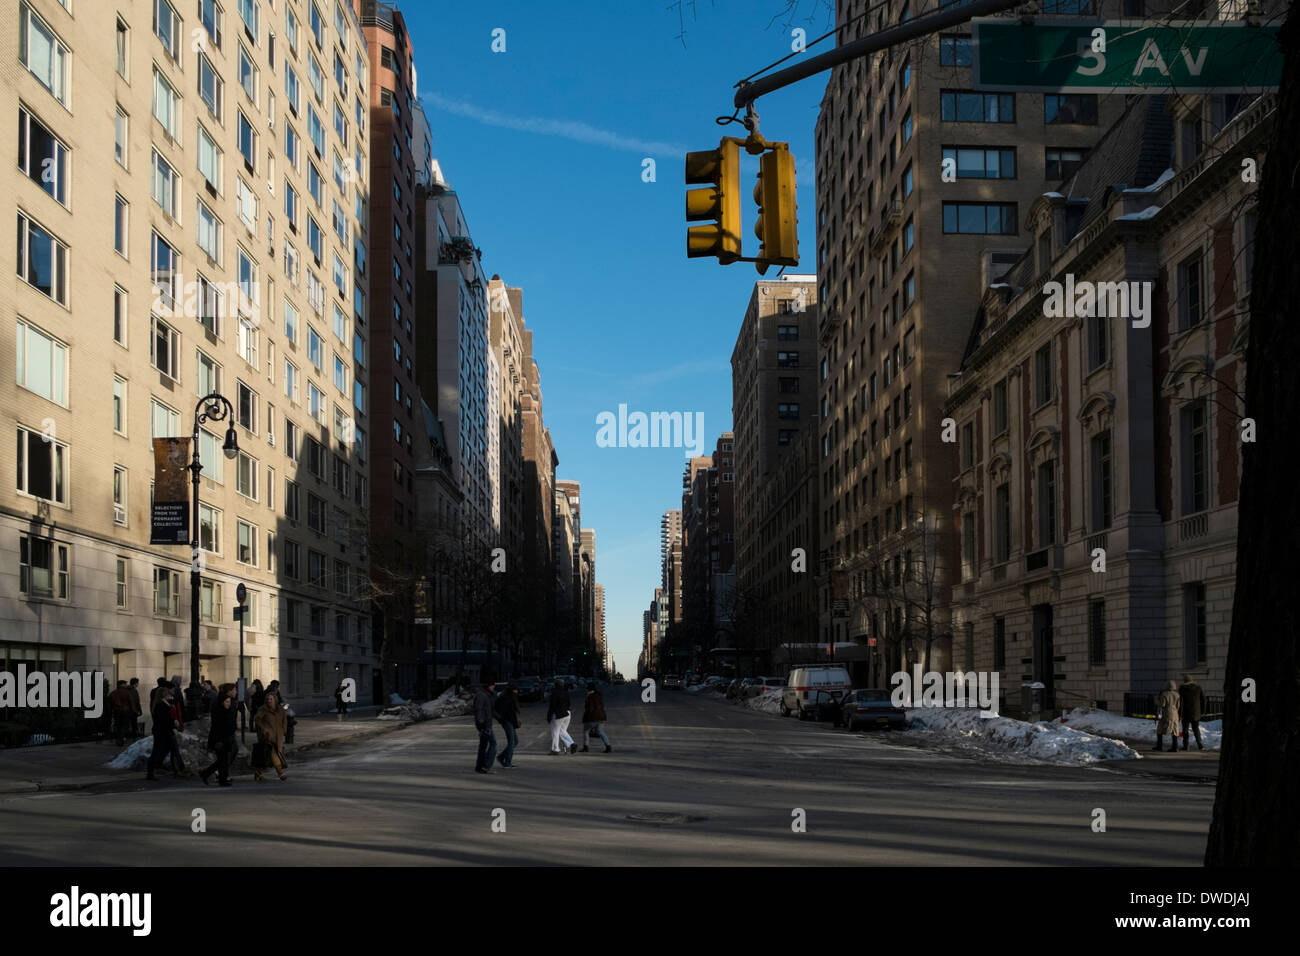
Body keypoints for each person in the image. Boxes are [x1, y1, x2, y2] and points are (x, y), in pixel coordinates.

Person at [200, 684, 239, 786]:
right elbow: (218, 727)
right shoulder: (219, 709)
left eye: (229, 702)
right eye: (227, 702)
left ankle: (208, 774)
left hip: (227, 737)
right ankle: (221, 778)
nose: (228, 704)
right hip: (220, 738)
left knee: (224, 759)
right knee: (224, 759)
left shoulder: (229, 706)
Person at [252, 692, 289, 782]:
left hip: (279, 735)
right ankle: (280, 773)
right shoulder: (263, 709)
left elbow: (284, 720)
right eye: (268, 699)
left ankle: (259, 772)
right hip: (267, 736)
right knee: (273, 753)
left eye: (271, 699)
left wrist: (284, 730)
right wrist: (264, 729)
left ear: (275, 700)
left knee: (266, 756)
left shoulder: (280, 709)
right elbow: (257, 720)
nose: (269, 701)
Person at [145, 685, 179, 780]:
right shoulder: (161, 705)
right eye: (167, 693)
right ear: (163, 694)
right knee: (158, 750)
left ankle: (156, 766)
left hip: (164, 730)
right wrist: (172, 722)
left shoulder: (163, 704)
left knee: (164, 748)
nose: (169, 695)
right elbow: (164, 719)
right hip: (162, 730)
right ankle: (154, 767)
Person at [473, 678, 498, 774]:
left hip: (486, 723)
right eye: (492, 686)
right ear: (488, 686)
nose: (493, 688)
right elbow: (478, 710)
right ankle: (485, 766)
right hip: (484, 725)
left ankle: (480, 766)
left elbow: (491, 710)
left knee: (483, 745)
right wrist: (481, 724)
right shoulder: (481, 695)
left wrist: (500, 718)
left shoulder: (488, 695)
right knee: (493, 743)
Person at [494, 683, 520, 768]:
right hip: (507, 721)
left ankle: (501, 757)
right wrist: (515, 723)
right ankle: (507, 762)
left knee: (515, 741)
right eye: (516, 690)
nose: (517, 691)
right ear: (513, 690)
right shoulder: (508, 699)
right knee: (512, 742)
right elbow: (510, 714)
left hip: (508, 721)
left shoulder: (507, 697)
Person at [581, 682, 612, 753]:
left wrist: (587, 718)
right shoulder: (599, 695)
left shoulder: (589, 696)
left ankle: (586, 747)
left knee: (586, 731)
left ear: (588, 689)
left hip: (593, 717)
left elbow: (590, 708)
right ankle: (608, 746)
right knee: (601, 732)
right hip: (602, 716)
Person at [547, 679, 575, 755]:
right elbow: (569, 703)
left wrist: (549, 716)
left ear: (555, 685)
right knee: (562, 731)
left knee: (555, 732)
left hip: (558, 714)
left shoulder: (554, 693)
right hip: (567, 713)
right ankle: (572, 744)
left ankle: (555, 749)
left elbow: (552, 706)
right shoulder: (566, 692)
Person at [1178, 674, 1206, 751]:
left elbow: (1181, 703)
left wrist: (1179, 714)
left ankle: (1186, 746)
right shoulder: (1198, 688)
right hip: (1196, 712)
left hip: (1186, 712)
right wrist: (1202, 711)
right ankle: (1200, 745)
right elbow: (1203, 700)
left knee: (1185, 730)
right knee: (1196, 729)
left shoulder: (1182, 689)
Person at [1154, 679, 1182, 752]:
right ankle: (1175, 747)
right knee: (1175, 730)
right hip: (1175, 713)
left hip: (1166, 713)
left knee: (1160, 729)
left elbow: (1162, 704)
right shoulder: (1177, 694)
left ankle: (1159, 746)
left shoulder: (1164, 694)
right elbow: (1178, 706)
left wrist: (1156, 700)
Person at [108, 680, 135, 746]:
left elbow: (109, 704)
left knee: (118, 725)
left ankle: (118, 739)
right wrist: (134, 711)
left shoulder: (113, 693)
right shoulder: (127, 692)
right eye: (125, 684)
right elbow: (131, 702)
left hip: (116, 711)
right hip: (125, 711)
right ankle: (121, 739)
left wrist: (110, 712)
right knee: (124, 726)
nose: (126, 685)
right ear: (122, 685)